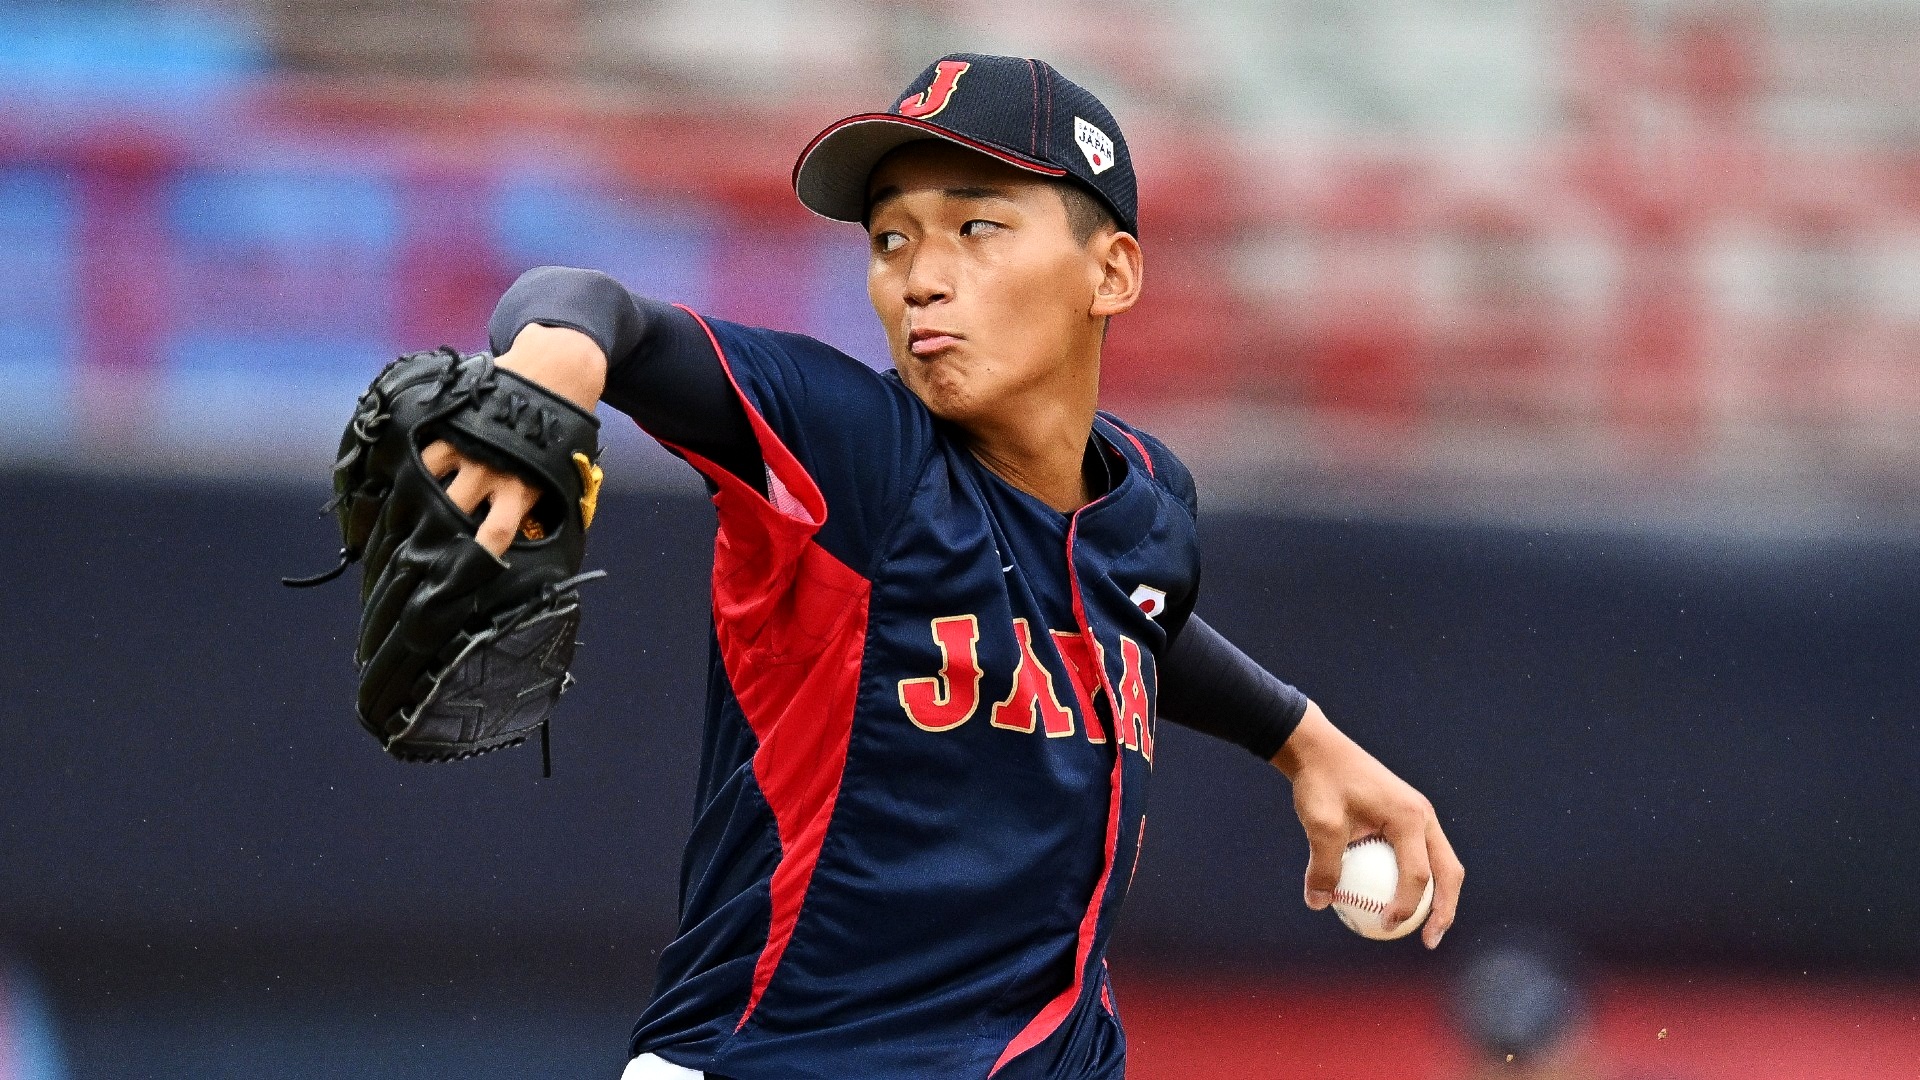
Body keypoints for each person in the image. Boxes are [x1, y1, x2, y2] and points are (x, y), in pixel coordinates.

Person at [425, 53, 1463, 1080]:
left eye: (977, 227)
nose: (920, 276)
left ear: (1112, 273)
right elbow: (590, 303)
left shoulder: (1148, 503)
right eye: (890, 238)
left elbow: (1127, 618)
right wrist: (549, 371)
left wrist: (1302, 738)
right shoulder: (854, 455)